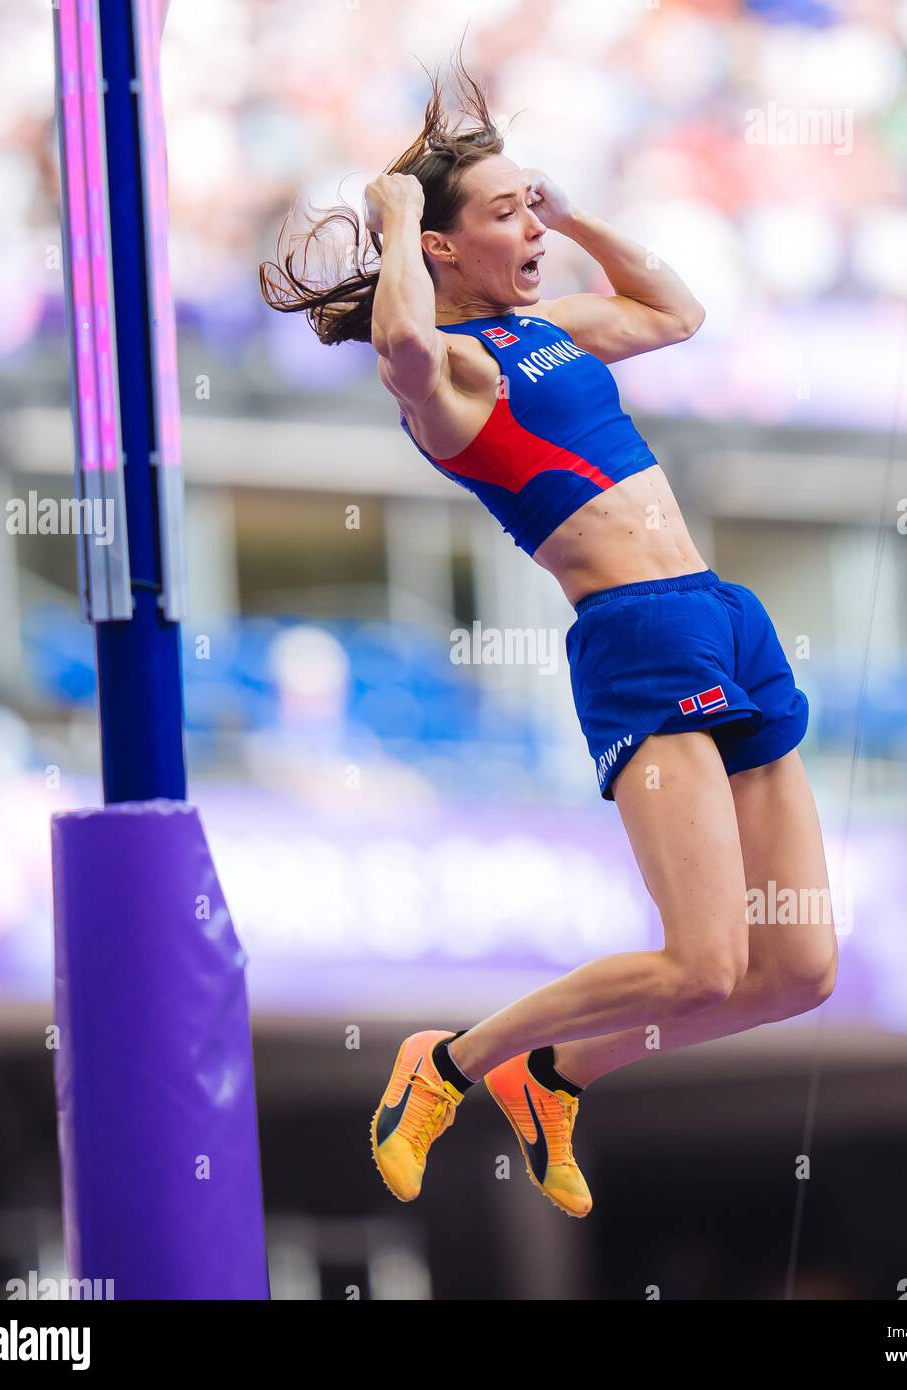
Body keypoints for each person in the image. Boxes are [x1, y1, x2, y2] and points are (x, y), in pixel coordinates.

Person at [260, 54, 837, 1220]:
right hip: (639, 638)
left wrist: (574, 213)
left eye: (532, 206)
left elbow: (677, 310)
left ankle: (556, 1072)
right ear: (438, 243)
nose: (530, 229)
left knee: (798, 972)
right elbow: (404, 351)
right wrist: (392, 209)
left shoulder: (550, 329)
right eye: (507, 213)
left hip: (728, 618)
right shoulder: (450, 373)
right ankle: (452, 1061)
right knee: (701, 964)